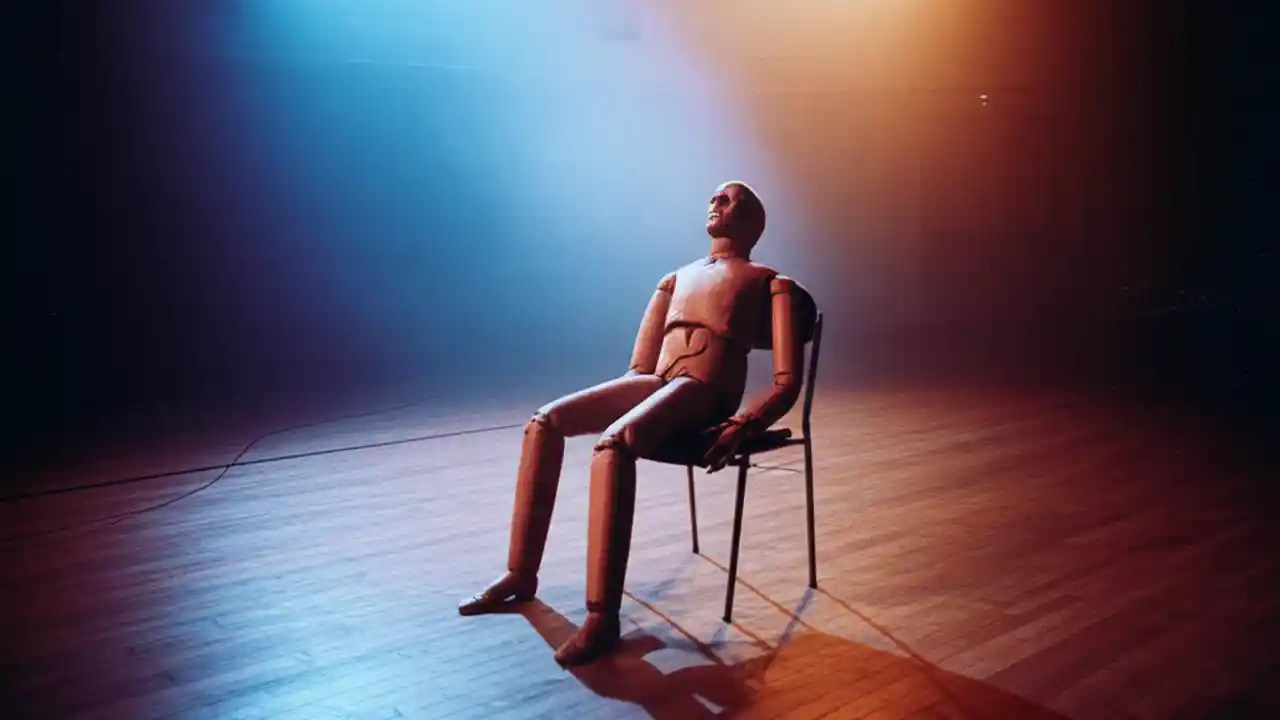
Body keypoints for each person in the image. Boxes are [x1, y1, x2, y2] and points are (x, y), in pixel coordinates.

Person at [459, 181, 807, 666]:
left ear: (753, 220)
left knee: (615, 444)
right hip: (659, 382)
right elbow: (640, 369)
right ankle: (520, 574)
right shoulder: (675, 279)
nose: (715, 203)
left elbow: (787, 382)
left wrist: (746, 422)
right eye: (714, 197)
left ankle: (602, 618)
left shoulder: (771, 282)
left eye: (729, 200)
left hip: (706, 392)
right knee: (545, 421)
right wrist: (628, 398)